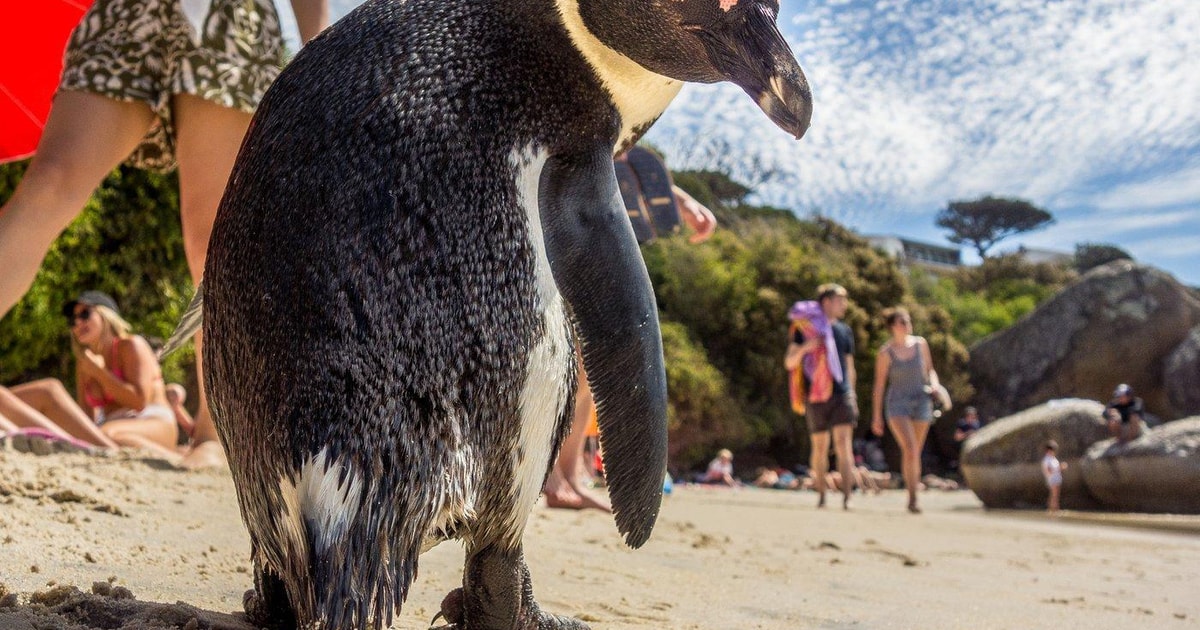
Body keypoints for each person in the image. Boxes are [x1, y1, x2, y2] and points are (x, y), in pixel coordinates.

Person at [0, 0, 330, 469]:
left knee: (210, 238)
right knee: (47, 186)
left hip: (226, 16)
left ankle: (214, 432)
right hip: (128, 10)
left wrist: (319, 47)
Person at [786, 283, 858, 510]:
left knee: (844, 445)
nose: (844, 305)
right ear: (826, 302)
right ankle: (822, 496)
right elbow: (789, 362)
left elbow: (849, 366)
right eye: (840, 300)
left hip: (842, 393)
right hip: (815, 396)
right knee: (819, 447)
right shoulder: (805, 328)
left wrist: (852, 393)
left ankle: (847, 498)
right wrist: (808, 346)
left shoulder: (844, 330)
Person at [871, 306, 942, 514]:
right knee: (910, 448)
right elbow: (879, 386)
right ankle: (913, 499)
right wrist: (876, 416)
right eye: (902, 322)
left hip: (922, 400)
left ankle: (912, 494)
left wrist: (935, 385)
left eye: (908, 321)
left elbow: (930, 370)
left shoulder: (921, 344)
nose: (906, 325)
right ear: (892, 326)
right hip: (897, 404)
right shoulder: (885, 353)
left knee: (914, 453)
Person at [1041, 440, 1066, 513]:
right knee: (1054, 495)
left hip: (1056, 478)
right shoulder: (1047, 459)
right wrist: (1059, 468)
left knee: (1054, 495)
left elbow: (1055, 469)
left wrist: (1060, 468)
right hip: (1052, 479)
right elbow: (1047, 470)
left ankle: (1052, 509)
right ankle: (1054, 510)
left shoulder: (1053, 458)